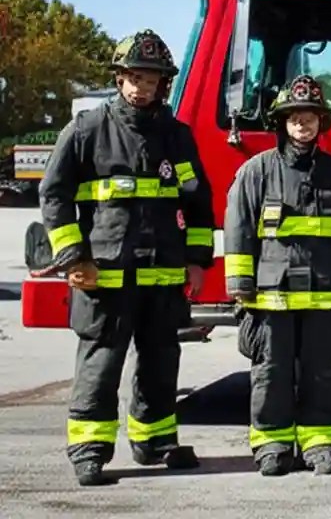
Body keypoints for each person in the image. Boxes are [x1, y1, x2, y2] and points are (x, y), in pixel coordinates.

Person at [39, 30, 214, 487]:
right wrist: (74, 256)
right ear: (119, 79)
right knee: (100, 364)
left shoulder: (177, 138)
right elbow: (53, 196)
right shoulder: (86, 131)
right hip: (104, 275)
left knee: (161, 362)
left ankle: (154, 441)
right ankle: (90, 449)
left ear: (163, 84)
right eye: (133, 77)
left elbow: (197, 203)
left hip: (163, 275)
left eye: (150, 79)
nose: (141, 87)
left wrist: (197, 261)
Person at [223, 75, 331, 477]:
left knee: (322, 374)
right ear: (281, 124)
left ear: (322, 123)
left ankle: (320, 444)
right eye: (294, 118)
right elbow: (239, 228)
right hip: (271, 298)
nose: (303, 125)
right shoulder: (256, 172)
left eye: (310, 118)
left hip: (323, 298)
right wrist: (240, 285)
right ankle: (272, 445)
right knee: (271, 372)